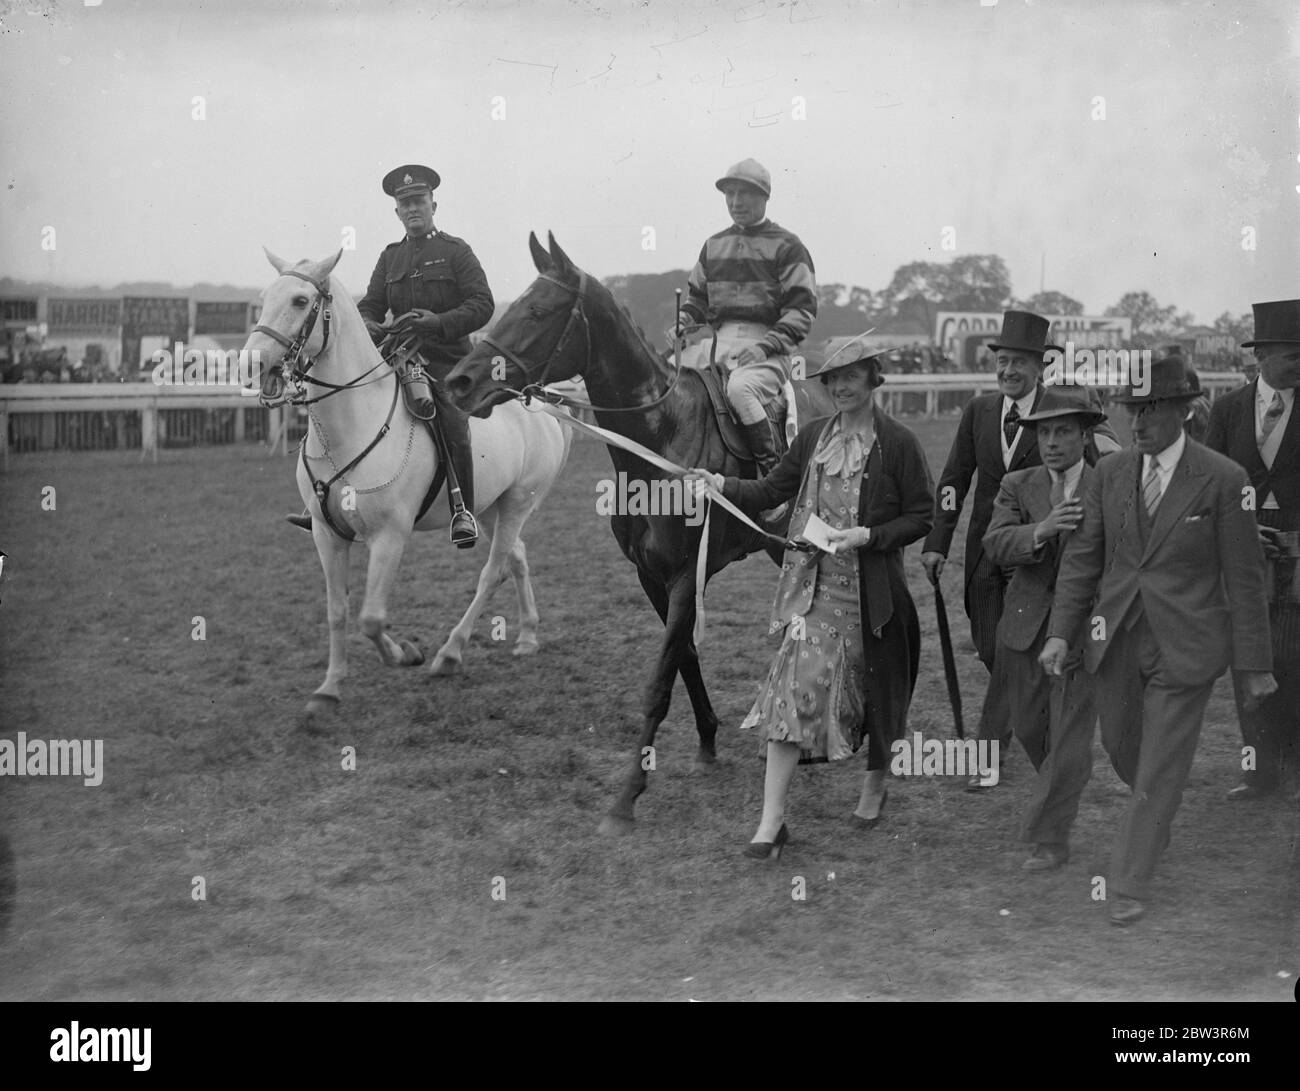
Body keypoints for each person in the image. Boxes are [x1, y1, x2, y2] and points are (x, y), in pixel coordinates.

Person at [1041, 355, 1276, 925]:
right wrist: (1058, 634)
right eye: (1130, 410)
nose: (1137, 423)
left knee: (1160, 766)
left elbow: (1244, 579)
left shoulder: (1224, 479)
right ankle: (1154, 822)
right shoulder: (1111, 473)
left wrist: (1254, 665)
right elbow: (1082, 561)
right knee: (1125, 749)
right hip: (1115, 638)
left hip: (1186, 645)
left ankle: (1130, 880)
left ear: (1185, 411)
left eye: (1150, 410)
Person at [686, 339, 933, 856]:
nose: (839, 387)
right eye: (831, 379)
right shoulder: (814, 438)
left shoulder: (899, 444)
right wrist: (721, 484)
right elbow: (772, 489)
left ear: (873, 379)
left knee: (876, 699)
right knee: (791, 691)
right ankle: (770, 825)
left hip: (871, 597)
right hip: (811, 594)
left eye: (850, 377)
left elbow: (922, 516)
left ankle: (875, 782)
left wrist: (870, 536)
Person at [920, 310, 1118, 789]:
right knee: (995, 652)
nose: (1008, 371)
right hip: (989, 552)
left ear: (1041, 367)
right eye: (1002, 361)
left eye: (1018, 363)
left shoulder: (1060, 411)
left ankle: (994, 755)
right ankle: (1032, 742)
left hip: (1049, 566)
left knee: (1019, 659)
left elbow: (1103, 455)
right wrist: (937, 541)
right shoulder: (979, 411)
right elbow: (954, 479)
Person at [289, 163, 494, 547]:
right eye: (405, 204)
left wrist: (438, 322)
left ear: (434, 203)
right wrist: (368, 323)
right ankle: (320, 503)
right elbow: (371, 304)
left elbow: (482, 304)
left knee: (451, 419)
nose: (413, 208)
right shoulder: (390, 257)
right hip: (395, 356)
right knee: (339, 405)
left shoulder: (456, 251)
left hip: (447, 359)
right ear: (396, 211)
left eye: (419, 201)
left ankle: (462, 508)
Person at [980, 387, 1103, 870]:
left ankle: (1050, 836)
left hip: (1084, 632)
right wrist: (1043, 529)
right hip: (1024, 628)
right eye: (1045, 432)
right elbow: (994, 544)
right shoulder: (1018, 484)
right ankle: (1060, 803)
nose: (1052, 442)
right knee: (1033, 730)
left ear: (1084, 434)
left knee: (1070, 736)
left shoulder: (1108, 483)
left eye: (1063, 431)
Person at [1205, 298, 1300, 802]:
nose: (1299, 367)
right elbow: (1209, 484)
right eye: (1292, 357)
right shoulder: (1226, 411)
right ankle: (1259, 772)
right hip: (1244, 557)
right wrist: (1239, 531)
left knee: (1292, 656)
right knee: (1249, 657)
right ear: (1261, 355)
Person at [674, 158, 817, 474]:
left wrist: (765, 347)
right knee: (670, 386)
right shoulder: (713, 245)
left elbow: (802, 310)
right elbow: (697, 299)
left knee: (740, 390)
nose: (736, 202)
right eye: (730, 194)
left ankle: (772, 471)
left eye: (746, 194)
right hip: (716, 342)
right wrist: (682, 323)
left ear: (765, 197)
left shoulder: (789, 246)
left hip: (768, 346)